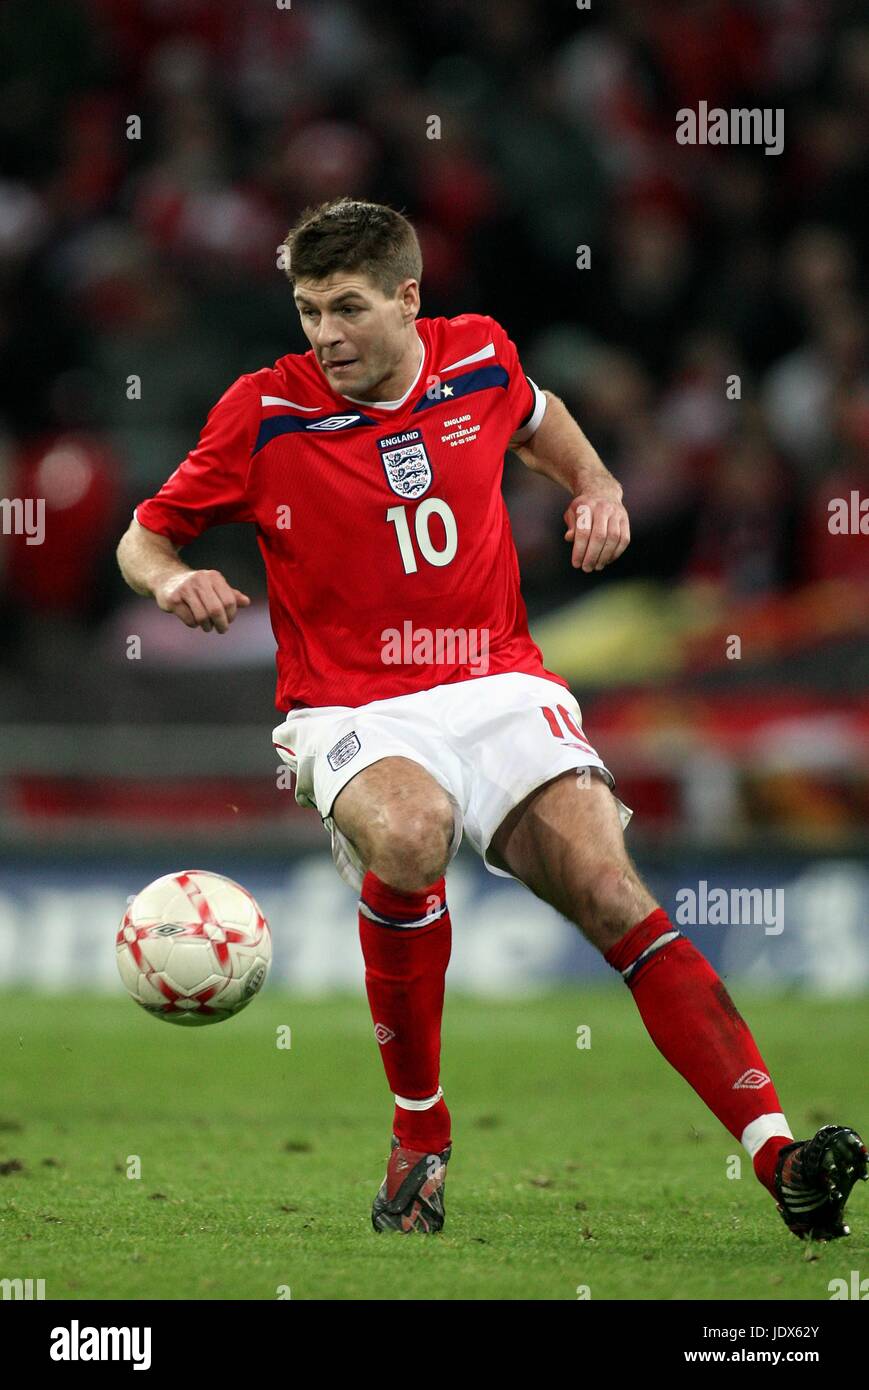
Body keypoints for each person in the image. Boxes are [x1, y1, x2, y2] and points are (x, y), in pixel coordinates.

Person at [117, 198, 865, 1238]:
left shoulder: (478, 358)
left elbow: (541, 419)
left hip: (498, 682)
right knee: (413, 832)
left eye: (344, 308)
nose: (322, 335)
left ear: (408, 300)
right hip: (351, 705)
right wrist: (172, 580)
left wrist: (597, 486)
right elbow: (142, 536)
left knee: (610, 890)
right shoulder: (264, 411)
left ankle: (777, 1153)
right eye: (304, 310)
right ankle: (418, 1135)